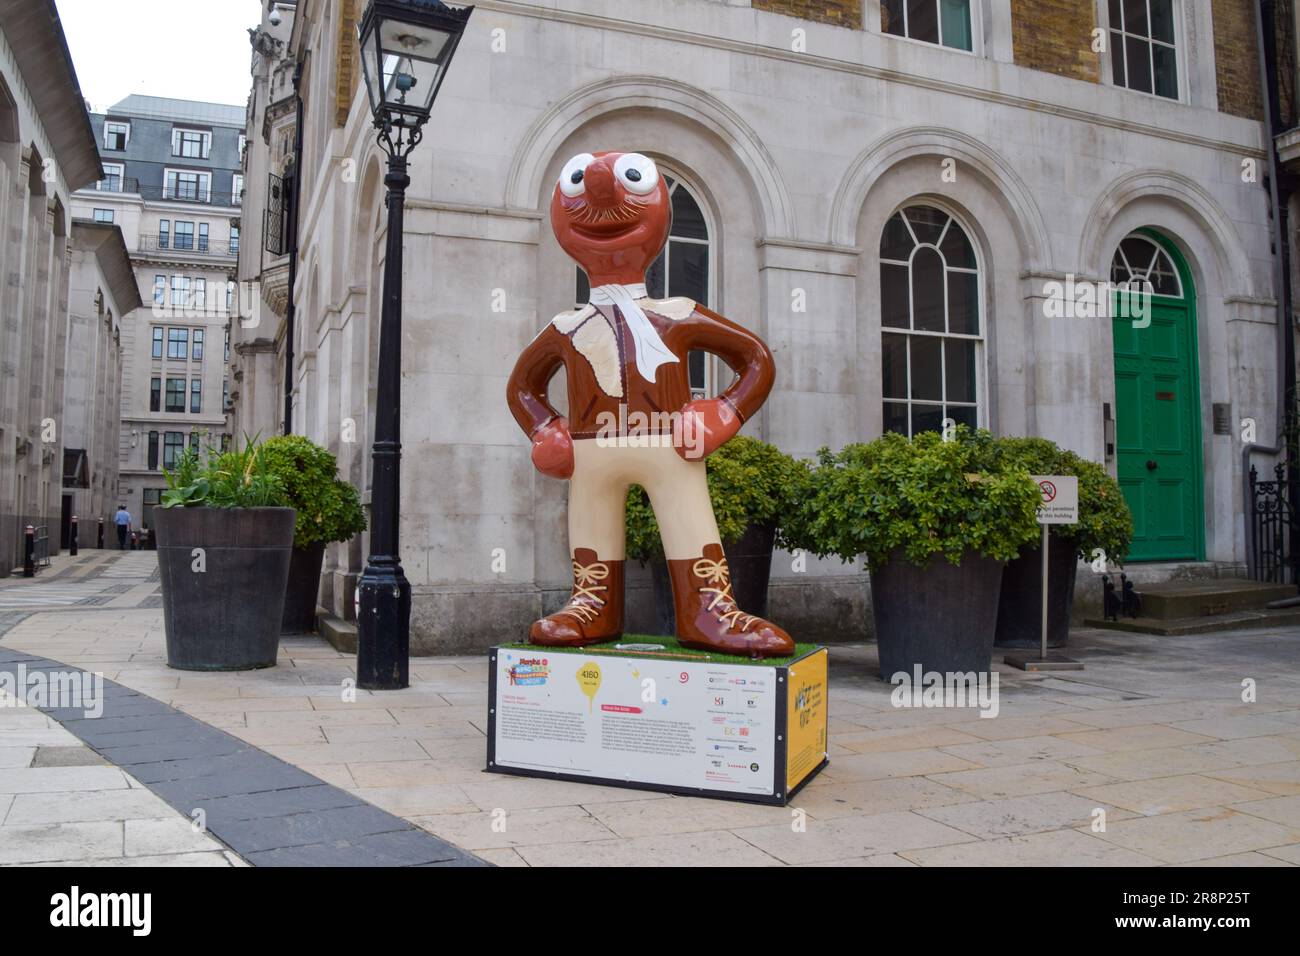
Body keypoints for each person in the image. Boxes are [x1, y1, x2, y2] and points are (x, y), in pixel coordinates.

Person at [506, 150, 793, 657]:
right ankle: (592, 603)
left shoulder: (676, 315)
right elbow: (522, 388)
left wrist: (724, 412)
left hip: (669, 448)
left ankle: (707, 607)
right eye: (580, 185)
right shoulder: (566, 327)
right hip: (592, 454)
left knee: (688, 516)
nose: (599, 193)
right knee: (592, 520)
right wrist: (545, 428)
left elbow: (755, 359)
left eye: (629, 183)